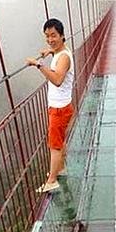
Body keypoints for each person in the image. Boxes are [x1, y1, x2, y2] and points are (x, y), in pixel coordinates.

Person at [26, 18, 74, 193]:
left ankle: (52, 181)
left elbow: (58, 79)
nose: (50, 39)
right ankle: (60, 168)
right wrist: (50, 51)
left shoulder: (63, 58)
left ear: (62, 36)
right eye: (47, 36)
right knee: (60, 140)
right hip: (62, 106)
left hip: (59, 109)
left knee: (54, 145)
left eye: (53, 35)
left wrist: (39, 64)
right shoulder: (62, 52)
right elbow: (60, 55)